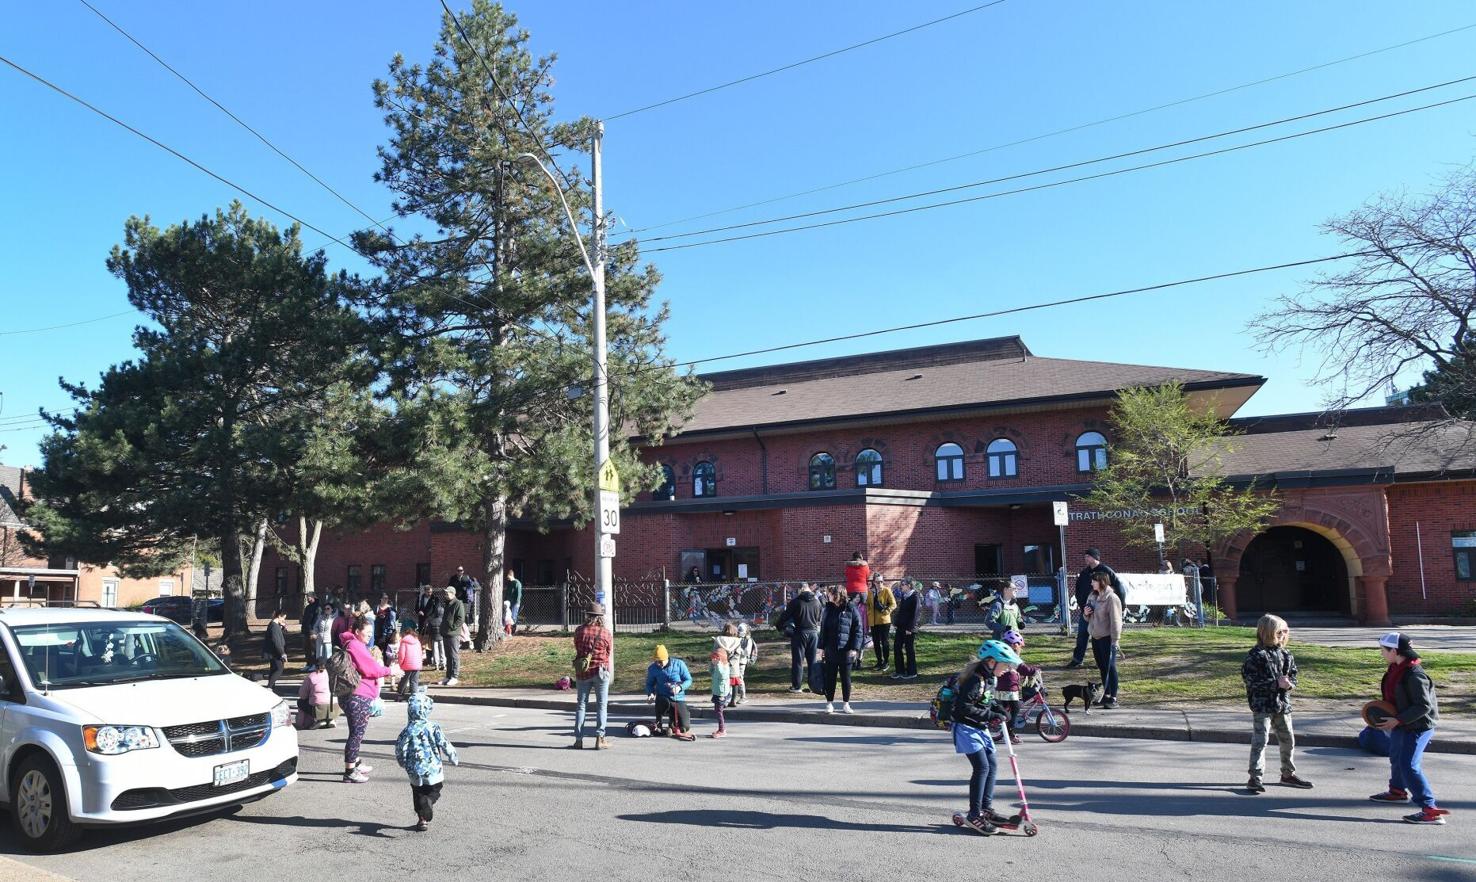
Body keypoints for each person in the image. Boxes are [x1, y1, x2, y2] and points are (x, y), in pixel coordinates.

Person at [1369, 632, 1448, 824]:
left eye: (1383, 650)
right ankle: (1397, 791)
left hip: (1418, 726)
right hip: (1402, 722)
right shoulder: (1395, 668)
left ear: (1394, 651)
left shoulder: (1414, 674)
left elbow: (1423, 706)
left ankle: (1430, 810)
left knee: (1408, 765)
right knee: (1396, 756)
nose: (1381, 653)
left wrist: (1398, 720)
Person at [951, 639, 1022, 836]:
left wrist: (1000, 710)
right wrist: (991, 716)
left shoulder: (990, 679)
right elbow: (964, 707)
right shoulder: (976, 679)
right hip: (966, 728)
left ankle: (986, 809)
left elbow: (987, 701)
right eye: (1005, 664)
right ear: (991, 662)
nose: (1008, 669)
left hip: (980, 728)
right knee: (982, 767)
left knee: (992, 765)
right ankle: (974, 814)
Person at [1241, 614, 1312, 793]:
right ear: (1268, 632)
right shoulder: (1255, 655)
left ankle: (1288, 774)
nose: (1284, 635)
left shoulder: (1285, 654)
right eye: (1280, 631)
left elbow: (1293, 675)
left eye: (1286, 631)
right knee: (1260, 740)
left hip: (1282, 704)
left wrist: (1290, 685)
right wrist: (1274, 684)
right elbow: (1250, 681)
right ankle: (1255, 777)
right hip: (1262, 706)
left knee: (1288, 739)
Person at [394, 692, 460, 832]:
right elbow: (444, 743)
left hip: (414, 770)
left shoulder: (407, 730)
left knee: (417, 793)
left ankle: (422, 820)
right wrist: (452, 755)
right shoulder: (433, 727)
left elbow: (400, 747)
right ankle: (429, 800)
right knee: (435, 789)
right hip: (432, 767)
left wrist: (402, 761)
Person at [341, 613, 392, 783]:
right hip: (358, 696)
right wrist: (390, 671)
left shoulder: (354, 644)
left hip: (356, 695)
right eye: (367, 632)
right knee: (356, 734)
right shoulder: (355, 645)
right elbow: (371, 669)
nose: (370, 635)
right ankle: (349, 772)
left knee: (356, 733)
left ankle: (354, 763)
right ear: (357, 631)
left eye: (372, 632)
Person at [1068, 548, 1123, 668]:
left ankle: (1105, 661)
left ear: (1095, 557)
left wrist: (1121, 607)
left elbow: (1119, 588)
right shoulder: (1084, 573)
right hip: (1087, 611)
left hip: (1103, 612)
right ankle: (1077, 659)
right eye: (1085, 556)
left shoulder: (1106, 571)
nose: (1085, 558)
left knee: (1101, 637)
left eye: (1088, 556)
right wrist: (1083, 606)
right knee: (1082, 635)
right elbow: (1078, 590)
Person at [572, 602, 613, 749]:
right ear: (600, 617)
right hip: (601, 671)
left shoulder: (579, 631)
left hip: (583, 672)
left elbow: (577, 647)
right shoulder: (605, 633)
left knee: (581, 705)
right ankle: (600, 738)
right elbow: (608, 652)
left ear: (587, 615)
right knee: (601, 706)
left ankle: (578, 739)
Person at [819, 585, 862, 714]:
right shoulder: (828, 608)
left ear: (838, 595)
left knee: (846, 678)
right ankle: (829, 703)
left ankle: (846, 704)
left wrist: (855, 648)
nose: (828, 596)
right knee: (830, 677)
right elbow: (823, 629)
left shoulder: (851, 608)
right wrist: (821, 648)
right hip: (831, 649)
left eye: (831, 594)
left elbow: (858, 629)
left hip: (846, 650)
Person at [774, 582, 824, 693]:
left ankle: (796, 686)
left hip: (799, 633)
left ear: (801, 590)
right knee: (812, 661)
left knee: (798, 661)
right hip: (813, 633)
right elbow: (820, 617)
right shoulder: (817, 602)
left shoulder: (795, 602)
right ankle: (813, 685)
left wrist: (779, 626)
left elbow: (785, 616)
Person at [1085, 571, 1123, 708]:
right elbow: (1087, 617)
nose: (1091, 583)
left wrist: (1115, 639)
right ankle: (1106, 695)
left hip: (1108, 638)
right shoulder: (1092, 596)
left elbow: (1116, 620)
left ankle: (1114, 698)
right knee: (1102, 667)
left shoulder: (1112, 598)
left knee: (1110, 667)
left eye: (1094, 581)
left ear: (1101, 581)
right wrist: (1086, 613)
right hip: (1095, 636)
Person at [644, 644, 695, 741]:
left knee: (685, 727)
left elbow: (688, 680)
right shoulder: (652, 668)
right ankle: (659, 723)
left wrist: (680, 687)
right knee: (662, 701)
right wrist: (650, 694)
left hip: (677, 698)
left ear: (666, 658)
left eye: (660, 661)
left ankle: (672, 725)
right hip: (663, 697)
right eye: (656, 661)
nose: (658, 664)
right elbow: (649, 684)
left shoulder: (679, 664)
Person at [891, 580, 920, 680]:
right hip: (901, 627)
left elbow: (915, 614)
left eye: (903, 585)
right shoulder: (904, 596)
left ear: (909, 586)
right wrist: (896, 623)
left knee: (909, 649)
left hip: (909, 628)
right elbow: (901, 611)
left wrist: (910, 628)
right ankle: (900, 671)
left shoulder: (915, 596)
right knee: (897, 647)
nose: (901, 587)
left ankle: (912, 672)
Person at [438, 585, 466, 686]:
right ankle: (448, 676)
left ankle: (454, 676)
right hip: (445, 633)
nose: (445, 595)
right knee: (448, 656)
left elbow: (460, 619)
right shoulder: (447, 603)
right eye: (445, 593)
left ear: (452, 594)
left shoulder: (458, 603)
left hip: (453, 634)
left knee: (454, 656)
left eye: (447, 593)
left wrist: (452, 627)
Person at [868, 576, 897, 672]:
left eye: (881, 581)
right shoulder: (871, 592)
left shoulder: (887, 590)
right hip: (873, 621)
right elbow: (868, 604)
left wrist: (886, 611)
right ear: (874, 582)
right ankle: (879, 661)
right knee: (876, 642)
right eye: (877, 582)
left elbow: (893, 604)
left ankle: (886, 661)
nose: (879, 583)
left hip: (884, 620)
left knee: (884, 642)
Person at [844, 552, 871, 633]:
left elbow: (846, 575)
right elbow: (867, 576)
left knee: (851, 610)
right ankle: (864, 630)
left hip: (851, 590)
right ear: (861, 557)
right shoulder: (865, 566)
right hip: (863, 590)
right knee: (863, 611)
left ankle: (852, 630)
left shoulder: (848, 566)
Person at [262, 609, 288, 691]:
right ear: (279, 616)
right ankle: (269, 687)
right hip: (275, 652)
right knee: (279, 669)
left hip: (274, 652)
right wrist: (282, 653)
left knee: (273, 669)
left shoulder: (275, 625)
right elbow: (276, 641)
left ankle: (271, 686)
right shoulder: (274, 626)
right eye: (283, 618)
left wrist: (283, 627)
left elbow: (282, 636)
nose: (284, 620)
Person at [709, 646, 732, 739]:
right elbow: (711, 672)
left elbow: (722, 675)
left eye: (716, 658)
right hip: (716, 692)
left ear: (721, 658)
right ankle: (720, 729)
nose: (714, 659)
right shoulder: (717, 666)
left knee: (719, 712)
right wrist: (712, 665)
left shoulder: (725, 667)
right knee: (717, 711)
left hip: (721, 693)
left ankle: (722, 730)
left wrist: (718, 665)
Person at [732, 622, 757, 705]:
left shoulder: (748, 640)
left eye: (741, 631)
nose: (739, 633)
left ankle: (743, 696)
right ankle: (732, 696)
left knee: (739, 678)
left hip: (742, 661)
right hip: (735, 661)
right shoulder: (737, 638)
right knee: (733, 678)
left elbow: (746, 652)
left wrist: (738, 650)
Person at [397, 622, 423, 698]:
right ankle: (414, 696)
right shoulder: (417, 641)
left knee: (404, 680)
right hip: (417, 664)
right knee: (414, 681)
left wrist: (400, 664)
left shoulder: (404, 641)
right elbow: (420, 653)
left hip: (407, 664)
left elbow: (402, 654)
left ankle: (400, 695)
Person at [301, 592, 322, 668]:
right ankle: (308, 664)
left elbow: (317, 620)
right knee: (306, 648)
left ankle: (314, 664)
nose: (307, 599)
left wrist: (312, 630)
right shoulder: (307, 607)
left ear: (313, 597)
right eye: (307, 597)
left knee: (313, 649)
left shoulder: (318, 608)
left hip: (313, 631)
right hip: (305, 631)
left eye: (309, 597)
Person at [505, 568, 523, 635]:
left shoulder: (517, 583)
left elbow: (518, 594)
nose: (507, 578)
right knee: (508, 617)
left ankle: (512, 631)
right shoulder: (510, 583)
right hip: (509, 603)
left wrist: (517, 603)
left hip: (515, 603)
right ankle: (508, 630)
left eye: (508, 577)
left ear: (510, 575)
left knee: (513, 617)